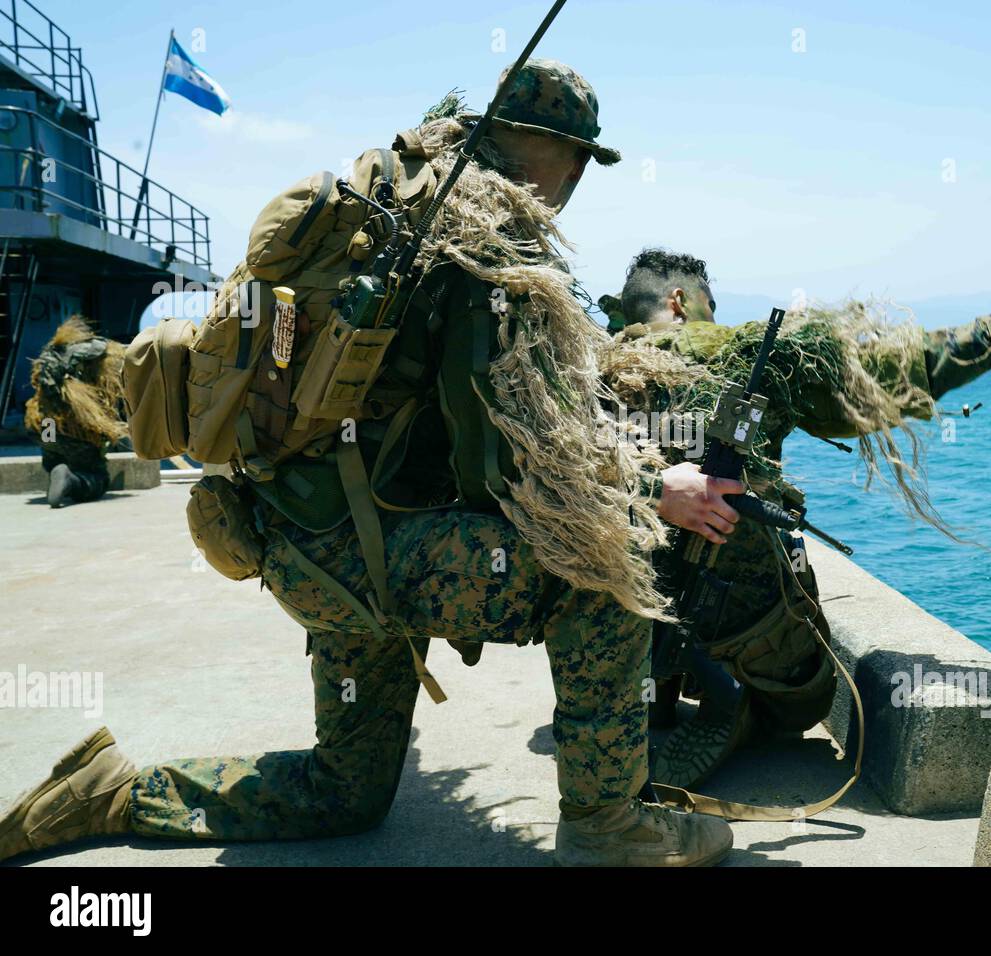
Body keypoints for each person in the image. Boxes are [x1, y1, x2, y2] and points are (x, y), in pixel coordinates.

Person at [1, 61, 740, 868]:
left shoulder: (403, 193)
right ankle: (609, 827)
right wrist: (646, 488)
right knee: (605, 569)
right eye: (578, 162)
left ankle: (112, 792)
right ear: (552, 151)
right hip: (370, 551)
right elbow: (503, 461)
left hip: (299, 539)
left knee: (344, 791)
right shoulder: (482, 242)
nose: (572, 184)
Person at [600, 248, 991, 787]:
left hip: (624, 610)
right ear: (681, 303)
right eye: (711, 305)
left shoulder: (590, 370)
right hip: (733, 615)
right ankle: (737, 703)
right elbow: (886, 375)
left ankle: (653, 692)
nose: (716, 317)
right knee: (807, 697)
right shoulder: (738, 353)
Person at [22, 316, 129, 508]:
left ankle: (58, 468)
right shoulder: (99, 354)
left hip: (45, 425)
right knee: (97, 476)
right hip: (73, 429)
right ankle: (72, 481)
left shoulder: (52, 353)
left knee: (53, 455)